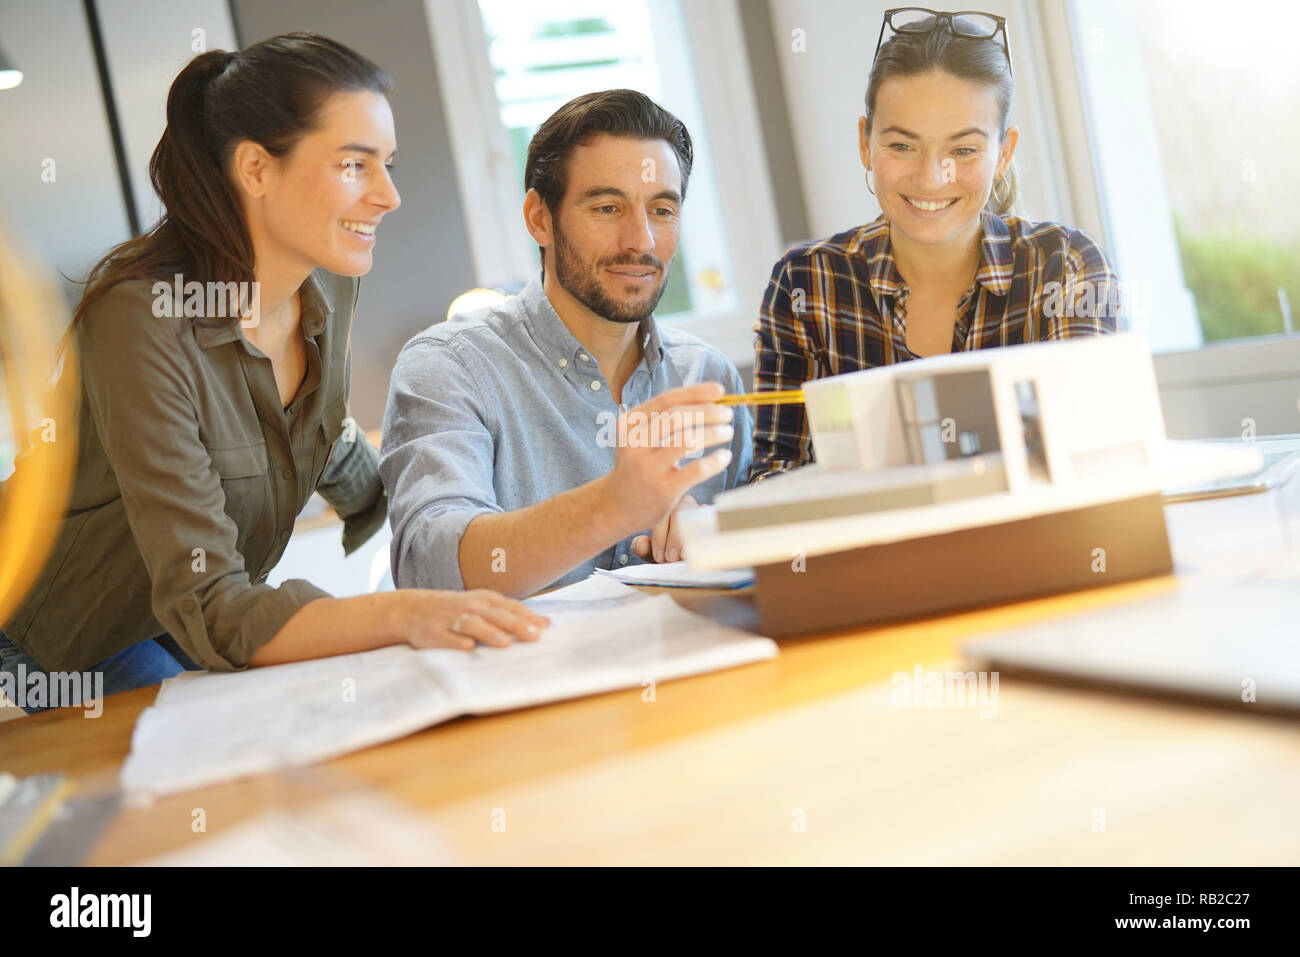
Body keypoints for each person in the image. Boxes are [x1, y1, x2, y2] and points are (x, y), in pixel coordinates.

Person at [0, 33, 546, 713]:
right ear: (256, 168)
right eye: (355, 165)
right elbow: (210, 600)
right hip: (59, 635)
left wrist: (435, 499)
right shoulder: (140, 320)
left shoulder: (330, 283)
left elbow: (316, 428)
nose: (388, 195)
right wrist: (402, 612)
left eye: (389, 164)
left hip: (188, 621)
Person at [381, 89, 751, 598]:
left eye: (662, 210)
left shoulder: (707, 376)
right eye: (606, 206)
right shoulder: (450, 368)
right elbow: (432, 565)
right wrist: (611, 506)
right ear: (538, 217)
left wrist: (715, 532)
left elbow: (767, 558)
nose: (641, 241)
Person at [750, 9, 1120, 482]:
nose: (931, 177)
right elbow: (776, 478)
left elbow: (1086, 457)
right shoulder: (807, 282)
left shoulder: (1064, 265)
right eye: (902, 146)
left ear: (1003, 153)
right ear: (865, 143)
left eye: (963, 149)